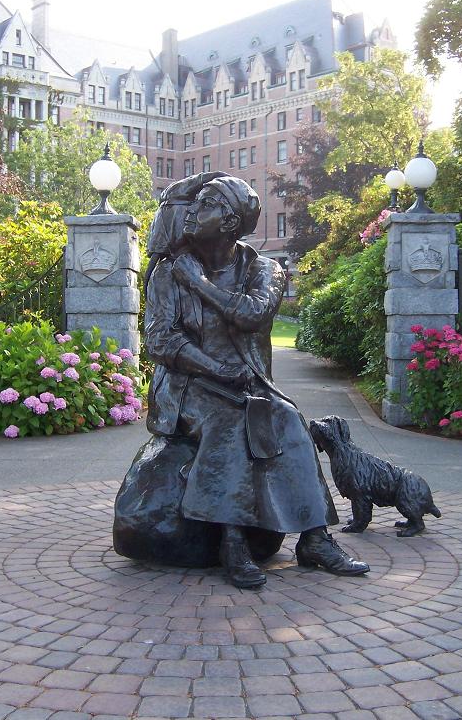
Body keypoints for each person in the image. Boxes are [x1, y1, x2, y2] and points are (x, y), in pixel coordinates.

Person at [143, 173, 369, 588]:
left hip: (249, 385)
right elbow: (160, 341)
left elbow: (253, 314)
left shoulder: (264, 268)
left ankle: (315, 539)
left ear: (230, 222)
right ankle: (232, 542)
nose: (192, 211)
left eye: (206, 204)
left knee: (289, 419)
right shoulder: (168, 272)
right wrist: (216, 369)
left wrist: (199, 284)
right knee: (230, 422)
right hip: (188, 385)